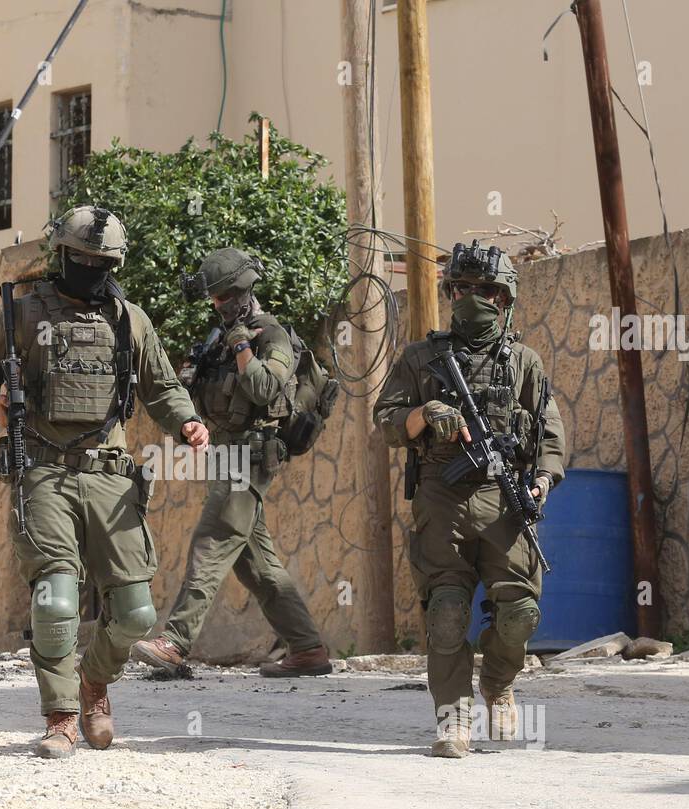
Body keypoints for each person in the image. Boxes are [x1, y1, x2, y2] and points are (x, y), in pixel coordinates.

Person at [0, 206, 209, 758]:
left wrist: (187, 420)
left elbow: (161, 386)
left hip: (110, 475)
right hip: (44, 470)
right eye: (84, 259)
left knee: (136, 614)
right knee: (55, 600)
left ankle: (94, 684)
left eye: (104, 262)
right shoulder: (23, 313)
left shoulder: (130, 320)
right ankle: (60, 717)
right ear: (63, 256)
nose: (93, 269)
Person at [373, 242, 566, 757]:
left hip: (505, 499)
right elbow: (386, 421)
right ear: (449, 293)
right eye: (462, 289)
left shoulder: (525, 362)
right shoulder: (420, 358)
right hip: (442, 500)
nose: (472, 299)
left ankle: (499, 683)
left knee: (520, 612)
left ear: (505, 300)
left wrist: (541, 482)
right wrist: (423, 414)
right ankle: (453, 721)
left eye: (485, 291)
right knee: (447, 611)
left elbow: (550, 437)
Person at [133, 248, 331, 678]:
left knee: (213, 536)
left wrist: (242, 345)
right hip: (224, 456)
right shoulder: (216, 340)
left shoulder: (272, 335)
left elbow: (262, 389)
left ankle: (176, 641)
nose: (217, 305)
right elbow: (199, 404)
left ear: (242, 292)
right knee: (257, 565)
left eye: (223, 297)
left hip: (253, 456)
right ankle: (308, 649)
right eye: (213, 299)